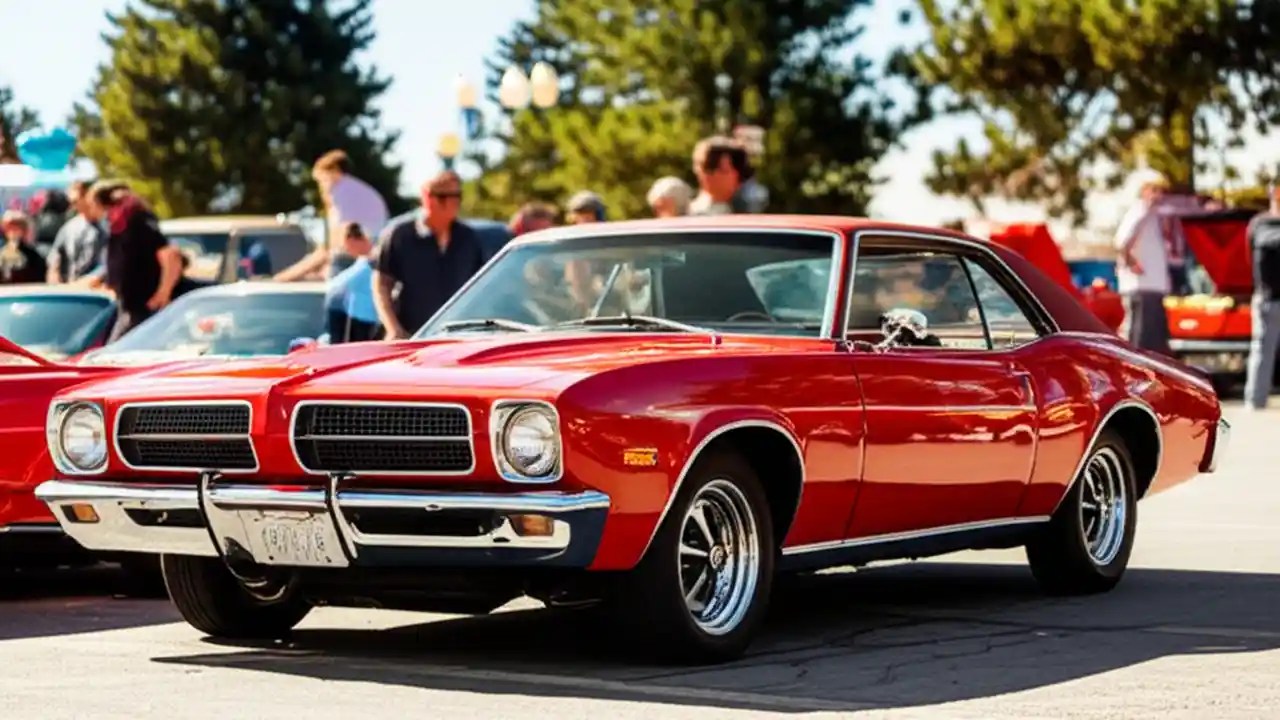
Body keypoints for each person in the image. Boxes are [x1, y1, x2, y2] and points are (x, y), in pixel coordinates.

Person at [371, 171, 484, 339]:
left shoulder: (468, 238)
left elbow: (481, 286)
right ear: (426, 197)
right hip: (411, 337)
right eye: (444, 196)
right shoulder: (401, 235)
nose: (453, 202)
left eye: (457, 196)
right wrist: (393, 328)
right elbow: (381, 285)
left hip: (458, 337)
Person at [85, 181, 184, 341]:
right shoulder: (117, 226)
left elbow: (170, 256)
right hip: (128, 304)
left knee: (116, 354)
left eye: (92, 204)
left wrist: (163, 292)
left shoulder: (138, 220)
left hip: (145, 305)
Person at [274, 149, 389, 282]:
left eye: (321, 181)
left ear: (335, 172)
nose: (321, 189)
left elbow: (327, 250)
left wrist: (284, 277)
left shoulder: (342, 192)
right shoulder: (360, 192)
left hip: (354, 260)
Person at [1114, 173, 1172, 354]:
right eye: (1154, 190)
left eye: (1161, 191)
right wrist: (1132, 263)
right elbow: (1121, 241)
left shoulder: (1151, 215)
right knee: (1141, 343)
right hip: (1142, 287)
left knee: (1151, 343)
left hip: (1150, 287)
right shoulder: (1141, 210)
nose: (1158, 195)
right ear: (1144, 191)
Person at [1244, 183, 1280, 410]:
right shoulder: (1260, 224)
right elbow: (1253, 252)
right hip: (1268, 299)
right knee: (1262, 351)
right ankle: (1255, 402)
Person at [325, 222, 381, 343]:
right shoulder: (363, 261)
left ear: (353, 241)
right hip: (358, 318)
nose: (348, 251)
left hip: (367, 321)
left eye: (348, 246)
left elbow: (340, 283)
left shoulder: (371, 261)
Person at [47, 180, 108, 284]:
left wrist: (91, 279)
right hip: (74, 287)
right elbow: (55, 254)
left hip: (99, 288)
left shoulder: (108, 227)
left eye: (76, 201)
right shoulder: (70, 228)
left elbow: (110, 263)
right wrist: (54, 273)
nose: (73, 206)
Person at [688, 135, 767, 215]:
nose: (710, 176)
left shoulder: (752, 207)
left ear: (737, 174)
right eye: (706, 168)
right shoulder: (689, 210)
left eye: (721, 170)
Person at [0, 210, 46, 284]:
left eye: (17, 227)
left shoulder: (34, 256)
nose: (13, 231)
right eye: (10, 227)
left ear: (24, 230)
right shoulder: (2, 255)